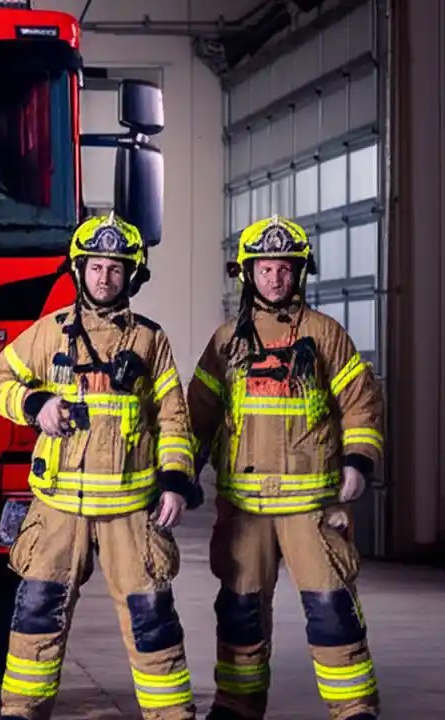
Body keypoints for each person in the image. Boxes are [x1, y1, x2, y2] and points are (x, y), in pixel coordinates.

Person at [0, 213, 203, 720]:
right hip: (58, 507)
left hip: (131, 510)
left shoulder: (151, 341)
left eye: (115, 268)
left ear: (132, 275)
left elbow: (172, 416)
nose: (104, 277)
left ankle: (171, 715)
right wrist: (34, 403)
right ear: (79, 270)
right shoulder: (46, 334)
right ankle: (21, 712)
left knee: (153, 620)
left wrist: (174, 481)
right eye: (95, 266)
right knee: (37, 614)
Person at [189, 215, 383, 720]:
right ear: (247, 275)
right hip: (244, 511)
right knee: (240, 613)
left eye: (284, 268)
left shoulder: (325, 335)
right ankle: (236, 705)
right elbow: (198, 415)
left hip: (312, 509)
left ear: (301, 273)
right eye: (265, 268)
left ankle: (354, 708)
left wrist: (358, 461)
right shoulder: (226, 342)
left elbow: (360, 403)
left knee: (332, 610)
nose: (275, 278)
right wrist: (179, 472)